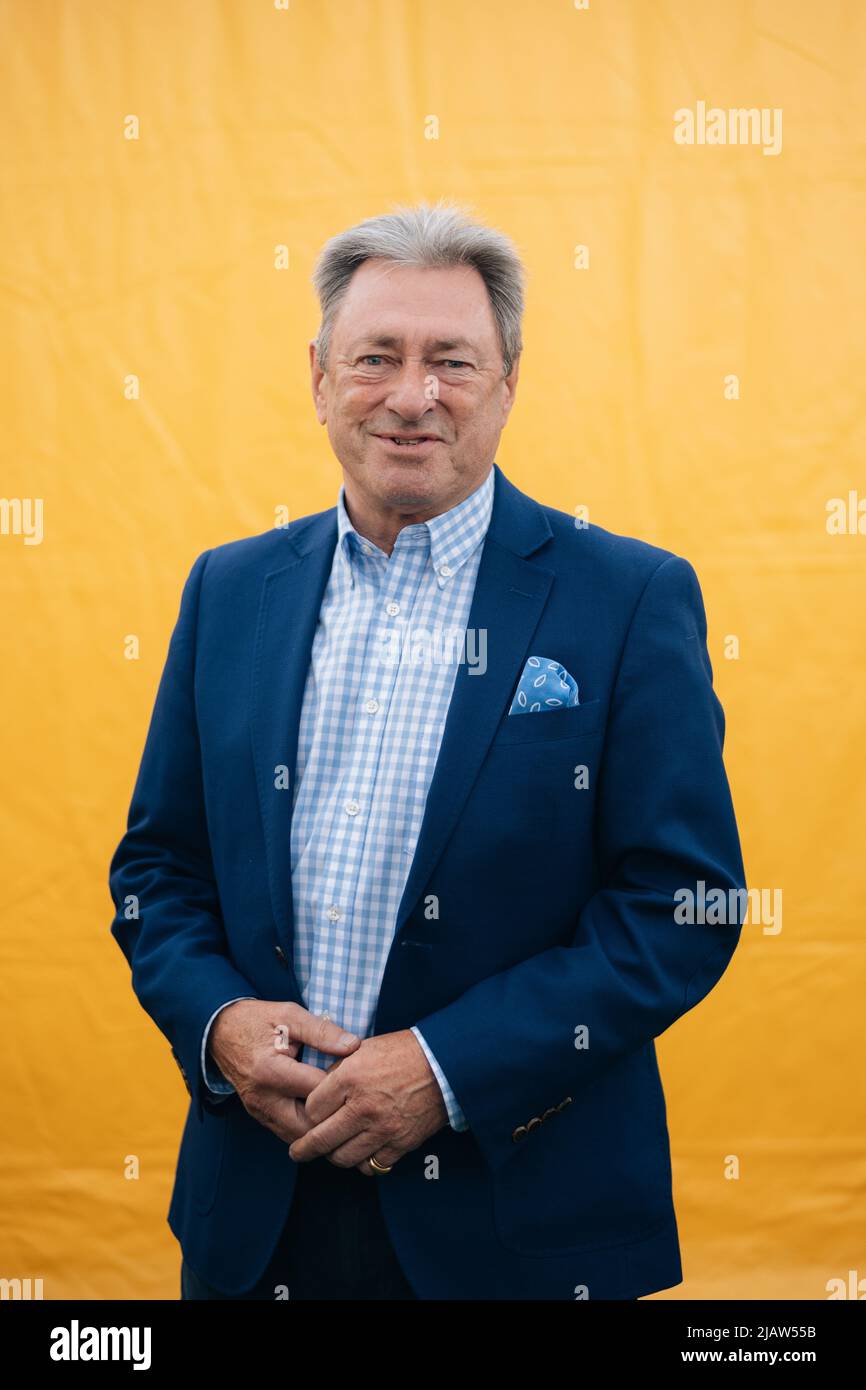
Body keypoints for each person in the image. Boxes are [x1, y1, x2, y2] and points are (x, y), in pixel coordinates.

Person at [109, 199, 747, 1300]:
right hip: (259, 1212)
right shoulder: (228, 591)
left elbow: (680, 904)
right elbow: (157, 869)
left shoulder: (630, 597)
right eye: (375, 358)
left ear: (508, 381)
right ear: (318, 376)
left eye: (452, 359)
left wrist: (443, 1070)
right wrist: (216, 1024)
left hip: (518, 1224)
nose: (412, 395)